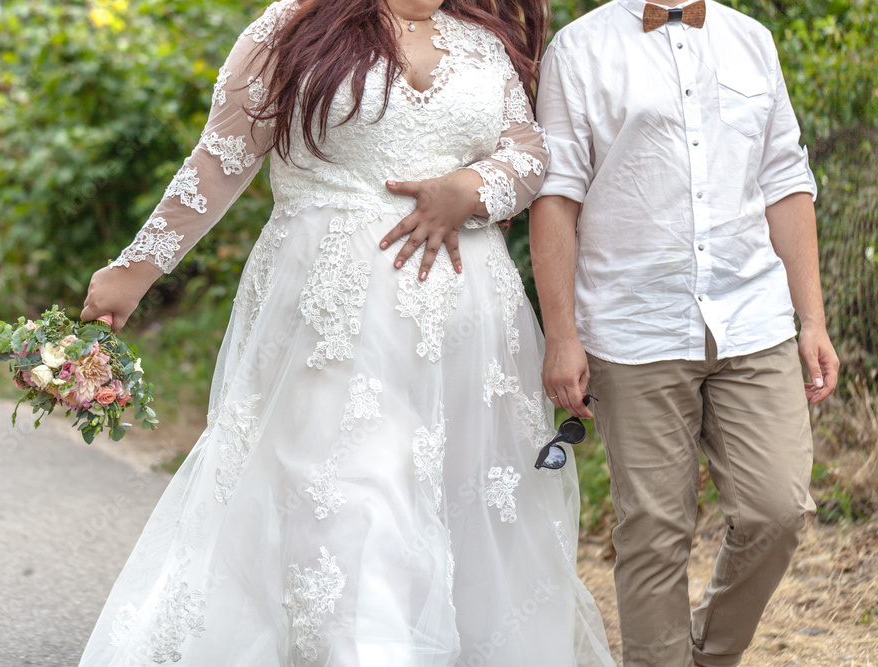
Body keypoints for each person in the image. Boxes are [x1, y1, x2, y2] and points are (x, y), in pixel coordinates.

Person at [77, 0, 616, 664]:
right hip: (331, 322)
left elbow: (530, 155)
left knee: (465, 516)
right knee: (347, 503)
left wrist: (470, 189)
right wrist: (135, 269)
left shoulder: (480, 44)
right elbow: (219, 159)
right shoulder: (294, 27)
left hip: (471, 338)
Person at [530, 0, 840, 665]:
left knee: (777, 508)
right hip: (632, 324)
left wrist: (810, 318)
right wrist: (562, 333)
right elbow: (556, 196)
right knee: (654, 533)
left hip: (752, 317)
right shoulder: (578, 51)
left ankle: (708, 654)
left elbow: (785, 179)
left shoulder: (752, 40)